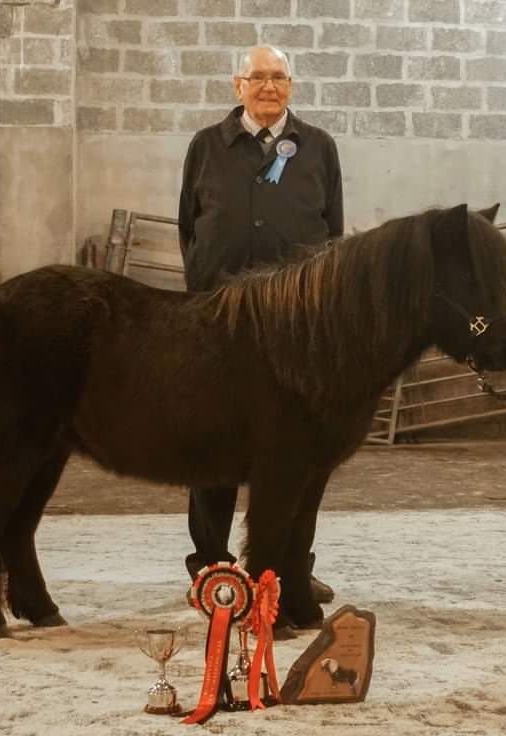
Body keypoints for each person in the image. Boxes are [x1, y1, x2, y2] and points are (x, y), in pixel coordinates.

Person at [177, 45, 343, 605]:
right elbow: (189, 229)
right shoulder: (206, 146)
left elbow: (333, 235)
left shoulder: (318, 147)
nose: (268, 86)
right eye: (257, 77)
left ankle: (291, 566)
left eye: (278, 77)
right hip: (219, 325)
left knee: (298, 448)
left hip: (298, 330)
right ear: (236, 85)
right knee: (210, 441)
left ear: (291, 86)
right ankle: (211, 563)